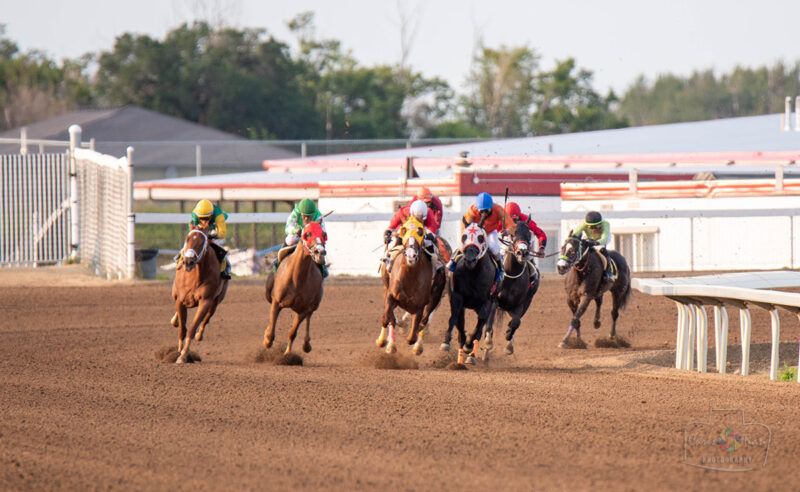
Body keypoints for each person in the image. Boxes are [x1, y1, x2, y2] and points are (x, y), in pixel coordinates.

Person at [449, 192, 514, 285]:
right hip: (475, 231)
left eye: (486, 211)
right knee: (464, 245)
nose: (483, 214)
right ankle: (453, 261)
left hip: (490, 232)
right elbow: (466, 227)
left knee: (493, 246)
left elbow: (511, 225)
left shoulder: (499, 210)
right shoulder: (472, 210)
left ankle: (500, 269)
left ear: (491, 207)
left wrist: (507, 231)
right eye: (481, 211)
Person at [382, 199, 443, 274]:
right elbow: (392, 226)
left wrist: (429, 235)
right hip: (406, 231)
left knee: (428, 242)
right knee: (399, 239)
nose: (419, 219)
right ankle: (391, 258)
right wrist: (387, 233)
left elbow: (432, 227)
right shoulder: (402, 212)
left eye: (421, 218)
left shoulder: (429, 212)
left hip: (420, 231)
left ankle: (435, 262)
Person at [278, 198, 328, 277]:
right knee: (290, 240)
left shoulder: (318, 214)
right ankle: (278, 262)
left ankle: (322, 266)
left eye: (309, 216)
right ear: (300, 213)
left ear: (313, 213)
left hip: (310, 238)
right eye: (304, 216)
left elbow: (323, 231)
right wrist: (295, 230)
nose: (306, 219)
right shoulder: (295, 213)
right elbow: (287, 228)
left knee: (319, 242)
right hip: (298, 235)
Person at [185, 199, 231, 279]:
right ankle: (179, 258)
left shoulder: (218, 216)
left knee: (219, 247)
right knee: (191, 243)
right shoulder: (195, 214)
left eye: (206, 218)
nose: (204, 221)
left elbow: (222, 233)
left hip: (214, 229)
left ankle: (226, 268)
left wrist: (211, 236)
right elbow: (192, 231)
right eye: (201, 218)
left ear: (211, 215)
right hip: (200, 230)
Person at [571, 210, 614, 281]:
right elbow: (576, 233)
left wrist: (595, 243)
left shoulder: (606, 224)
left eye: (596, 227)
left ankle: (608, 271)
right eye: (591, 227)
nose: (593, 229)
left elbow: (604, 239)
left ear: (600, 224)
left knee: (602, 250)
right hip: (589, 237)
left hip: (602, 238)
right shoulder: (583, 224)